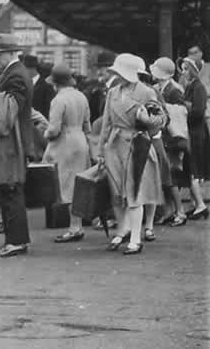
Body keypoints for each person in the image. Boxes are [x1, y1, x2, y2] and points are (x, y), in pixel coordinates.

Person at [97, 54, 164, 255]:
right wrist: (101, 151)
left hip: (137, 147)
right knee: (117, 194)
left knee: (135, 194)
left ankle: (135, 239)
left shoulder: (147, 92)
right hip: (114, 146)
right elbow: (106, 123)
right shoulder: (113, 92)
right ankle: (123, 229)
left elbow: (160, 121)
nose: (117, 76)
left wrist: (147, 119)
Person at [0, 33, 35, 258]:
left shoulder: (16, 75)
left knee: (10, 190)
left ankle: (15, 242)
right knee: (9, 190)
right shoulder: (15, 72)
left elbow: (11, 108)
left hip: (12, 142)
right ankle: (15, 240)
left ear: (12, 53)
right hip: (11, 141)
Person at [42, 64, 92, 242]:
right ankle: (77, 224)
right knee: (79, 184)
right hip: (80, 140)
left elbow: (54, 129)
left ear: (55, 83)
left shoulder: (58, 100)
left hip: (65, 143)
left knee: (67, 185)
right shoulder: (81, 96)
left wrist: (45, 133)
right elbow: (87, 125)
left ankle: (74, 228)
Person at [150, 57, 187, 227]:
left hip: (172, 138)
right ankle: (171, 210)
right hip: (166, 137)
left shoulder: (173, 91)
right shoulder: (163, 88)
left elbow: (180, 114)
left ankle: (179, 211)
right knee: (167, 175)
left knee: (170, 176)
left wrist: (163, 106)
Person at [180, 57, 209, 220]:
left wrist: (183, 111)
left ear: (193, 70)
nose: (183, 72)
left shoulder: (198, 88)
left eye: (185, 69)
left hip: (196, 133)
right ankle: (196, 204)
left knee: (193, 169)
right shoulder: (192, 87)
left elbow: (198, 111)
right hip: (193, 131)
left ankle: (200, 205)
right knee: (191, 168)